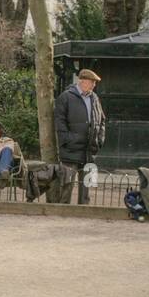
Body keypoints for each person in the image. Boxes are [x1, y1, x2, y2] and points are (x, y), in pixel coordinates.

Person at [54, 68, 105, 204]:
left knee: (87, 186)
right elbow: (59, 121)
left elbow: (102, 120)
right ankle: (63, 211)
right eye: (92, 82)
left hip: (89, 149)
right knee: (66, 185)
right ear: (82, 81)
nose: (94, 85)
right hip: (70, 149)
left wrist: (99, 140)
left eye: (94, 82)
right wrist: (68, 139)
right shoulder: (65, 97)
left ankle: (84, 210)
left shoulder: (94, 98)